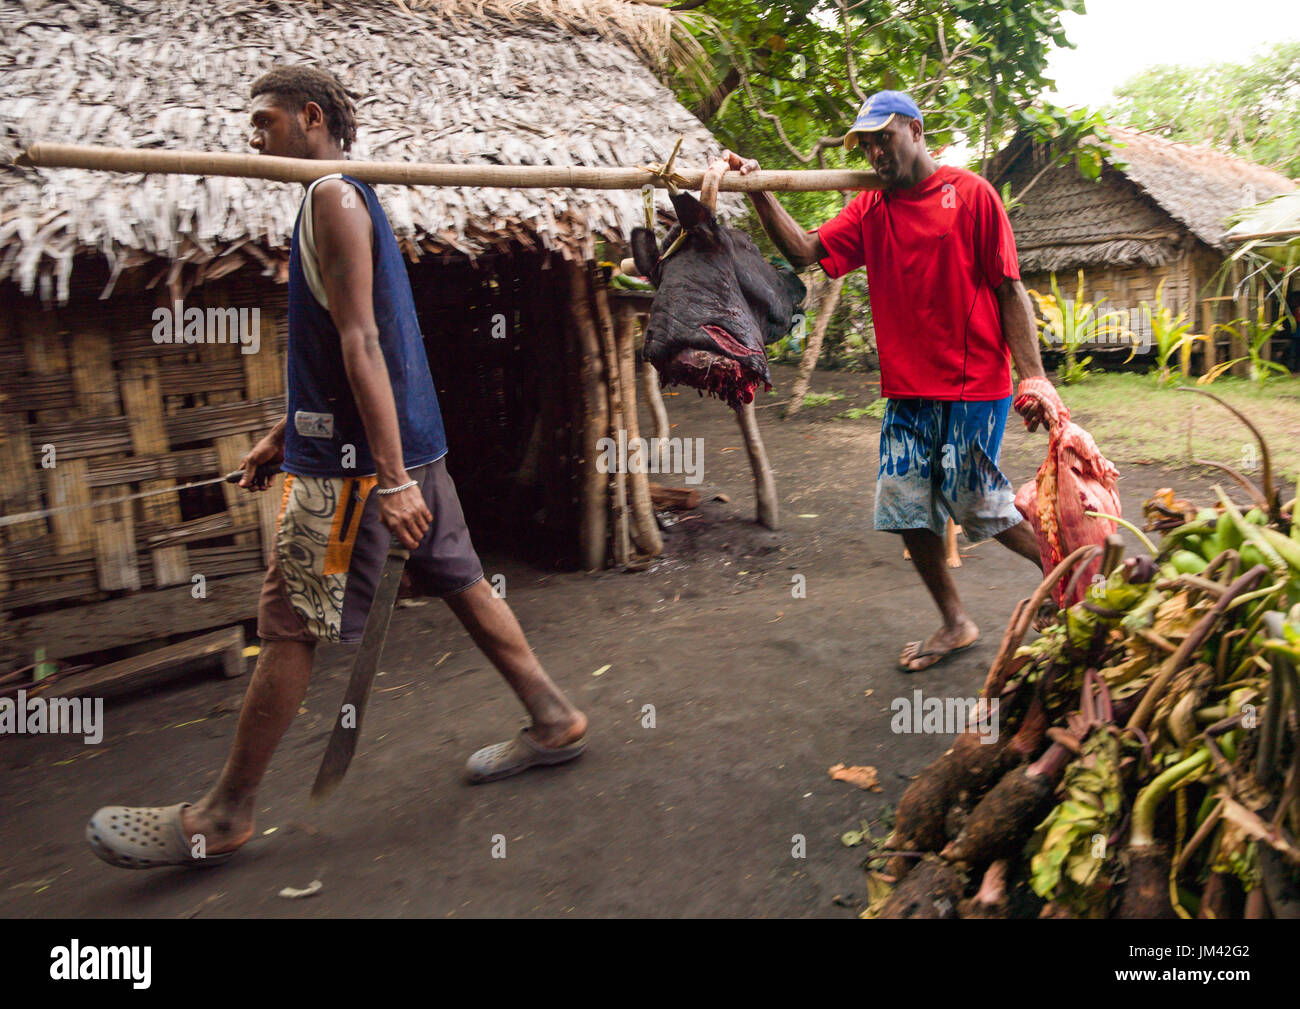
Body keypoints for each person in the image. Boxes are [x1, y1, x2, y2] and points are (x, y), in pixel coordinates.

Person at [86, 66, 587, 870]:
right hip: (404, 450)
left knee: (290, 625)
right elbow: (349, 340)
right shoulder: (346, 197)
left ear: (308, 116)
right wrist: (290, 430)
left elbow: (363, 343)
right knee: (460, 580)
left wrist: (383, 478)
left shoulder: (330, 199)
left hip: (355, 474)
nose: (253, 135)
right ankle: (554, 715)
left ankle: (223, 812)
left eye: (265, 120)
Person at [725, 90, 1053, 672]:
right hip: (907, 389)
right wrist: (759, 191)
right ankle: (956, 622)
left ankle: (1064, 575)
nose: (876, 152)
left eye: (886, 138)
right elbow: (804, 251)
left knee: (974, 498)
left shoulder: (972, 195)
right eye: (867, 143)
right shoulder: (870, 209)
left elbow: (1008, 288)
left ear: (917, 132)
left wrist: (1035, 378)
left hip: (974, 384)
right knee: (906, 508)